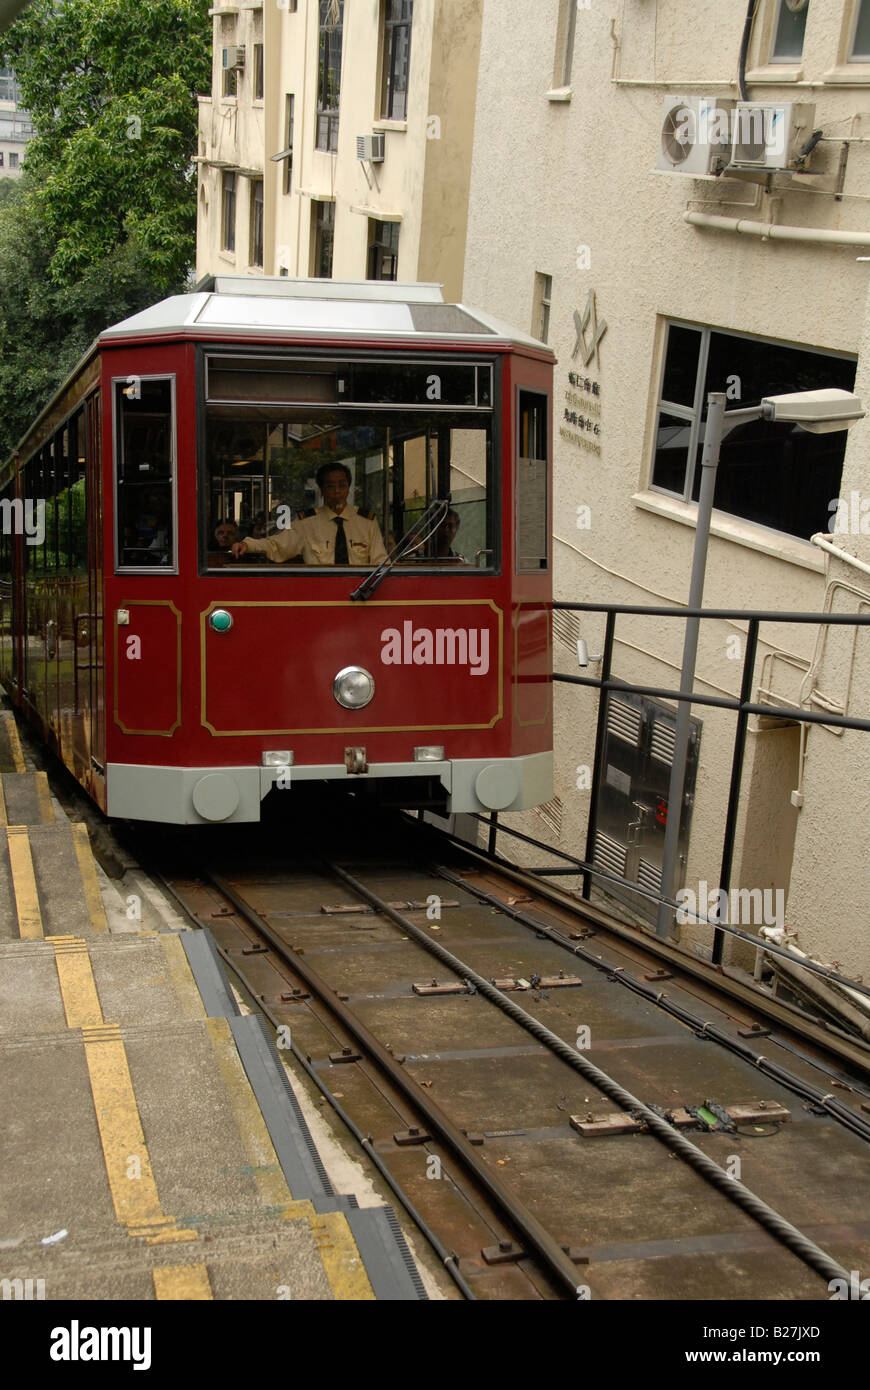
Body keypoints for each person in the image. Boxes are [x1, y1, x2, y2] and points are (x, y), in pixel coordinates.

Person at [231, 464, 387, 566]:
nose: (337, 491)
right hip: (321, 596)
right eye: (330, 486)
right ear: (322, 490)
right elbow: (276, 546)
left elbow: (381, 562)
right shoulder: (307, 523)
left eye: (342, 485)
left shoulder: (367, 522)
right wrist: (247, 545)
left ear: (348, 488)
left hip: (360, 595)